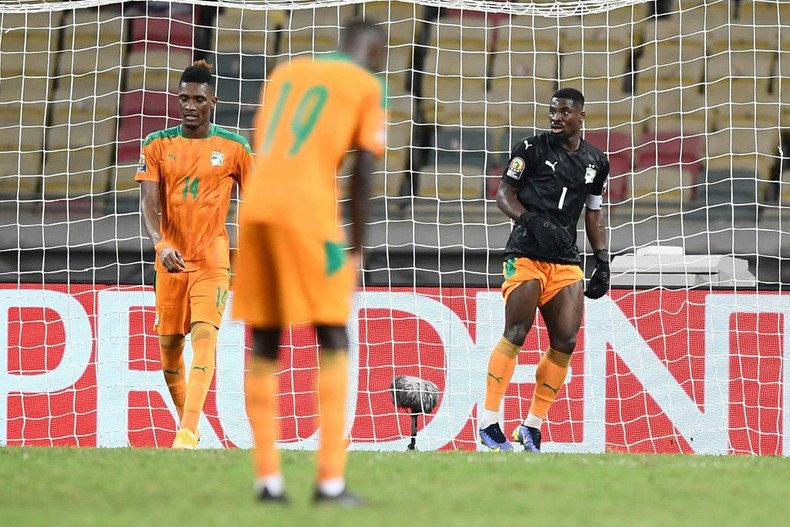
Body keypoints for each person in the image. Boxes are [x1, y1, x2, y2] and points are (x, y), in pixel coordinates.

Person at [233, 20, 386, 506]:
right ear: (375, 53)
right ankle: (330, 481)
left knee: (266, 334)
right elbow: (362, 173)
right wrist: (357, 249)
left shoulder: (286, 73)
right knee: (333, 330)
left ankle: (268, 481)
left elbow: (268, 140)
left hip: (255, 209)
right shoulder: (365, 83)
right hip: (307, 213)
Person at [478, 88, 610, 453]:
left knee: (565, 343)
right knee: (517, 331)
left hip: (566, 262)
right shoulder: (530, 149)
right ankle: (488, 421)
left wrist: (602, 259)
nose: (556, 117)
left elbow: (594, 212)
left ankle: (531, 426)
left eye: (564, 112)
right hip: (526, 253)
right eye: (552, 111)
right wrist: (532, 221)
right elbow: (504, 194)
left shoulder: (597, 162)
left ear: (581, 116)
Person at [136, 60, 253, 450]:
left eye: (198, 99)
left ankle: (185, 433)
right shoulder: (156, 144)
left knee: (205, 339)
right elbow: (148, 204)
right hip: (169, 261)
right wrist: (160, 243)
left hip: (212, 261)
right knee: (170, 355)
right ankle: (195, 431)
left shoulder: (235, 148)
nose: (189, 105)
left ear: (212, 101)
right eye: (183, 98)